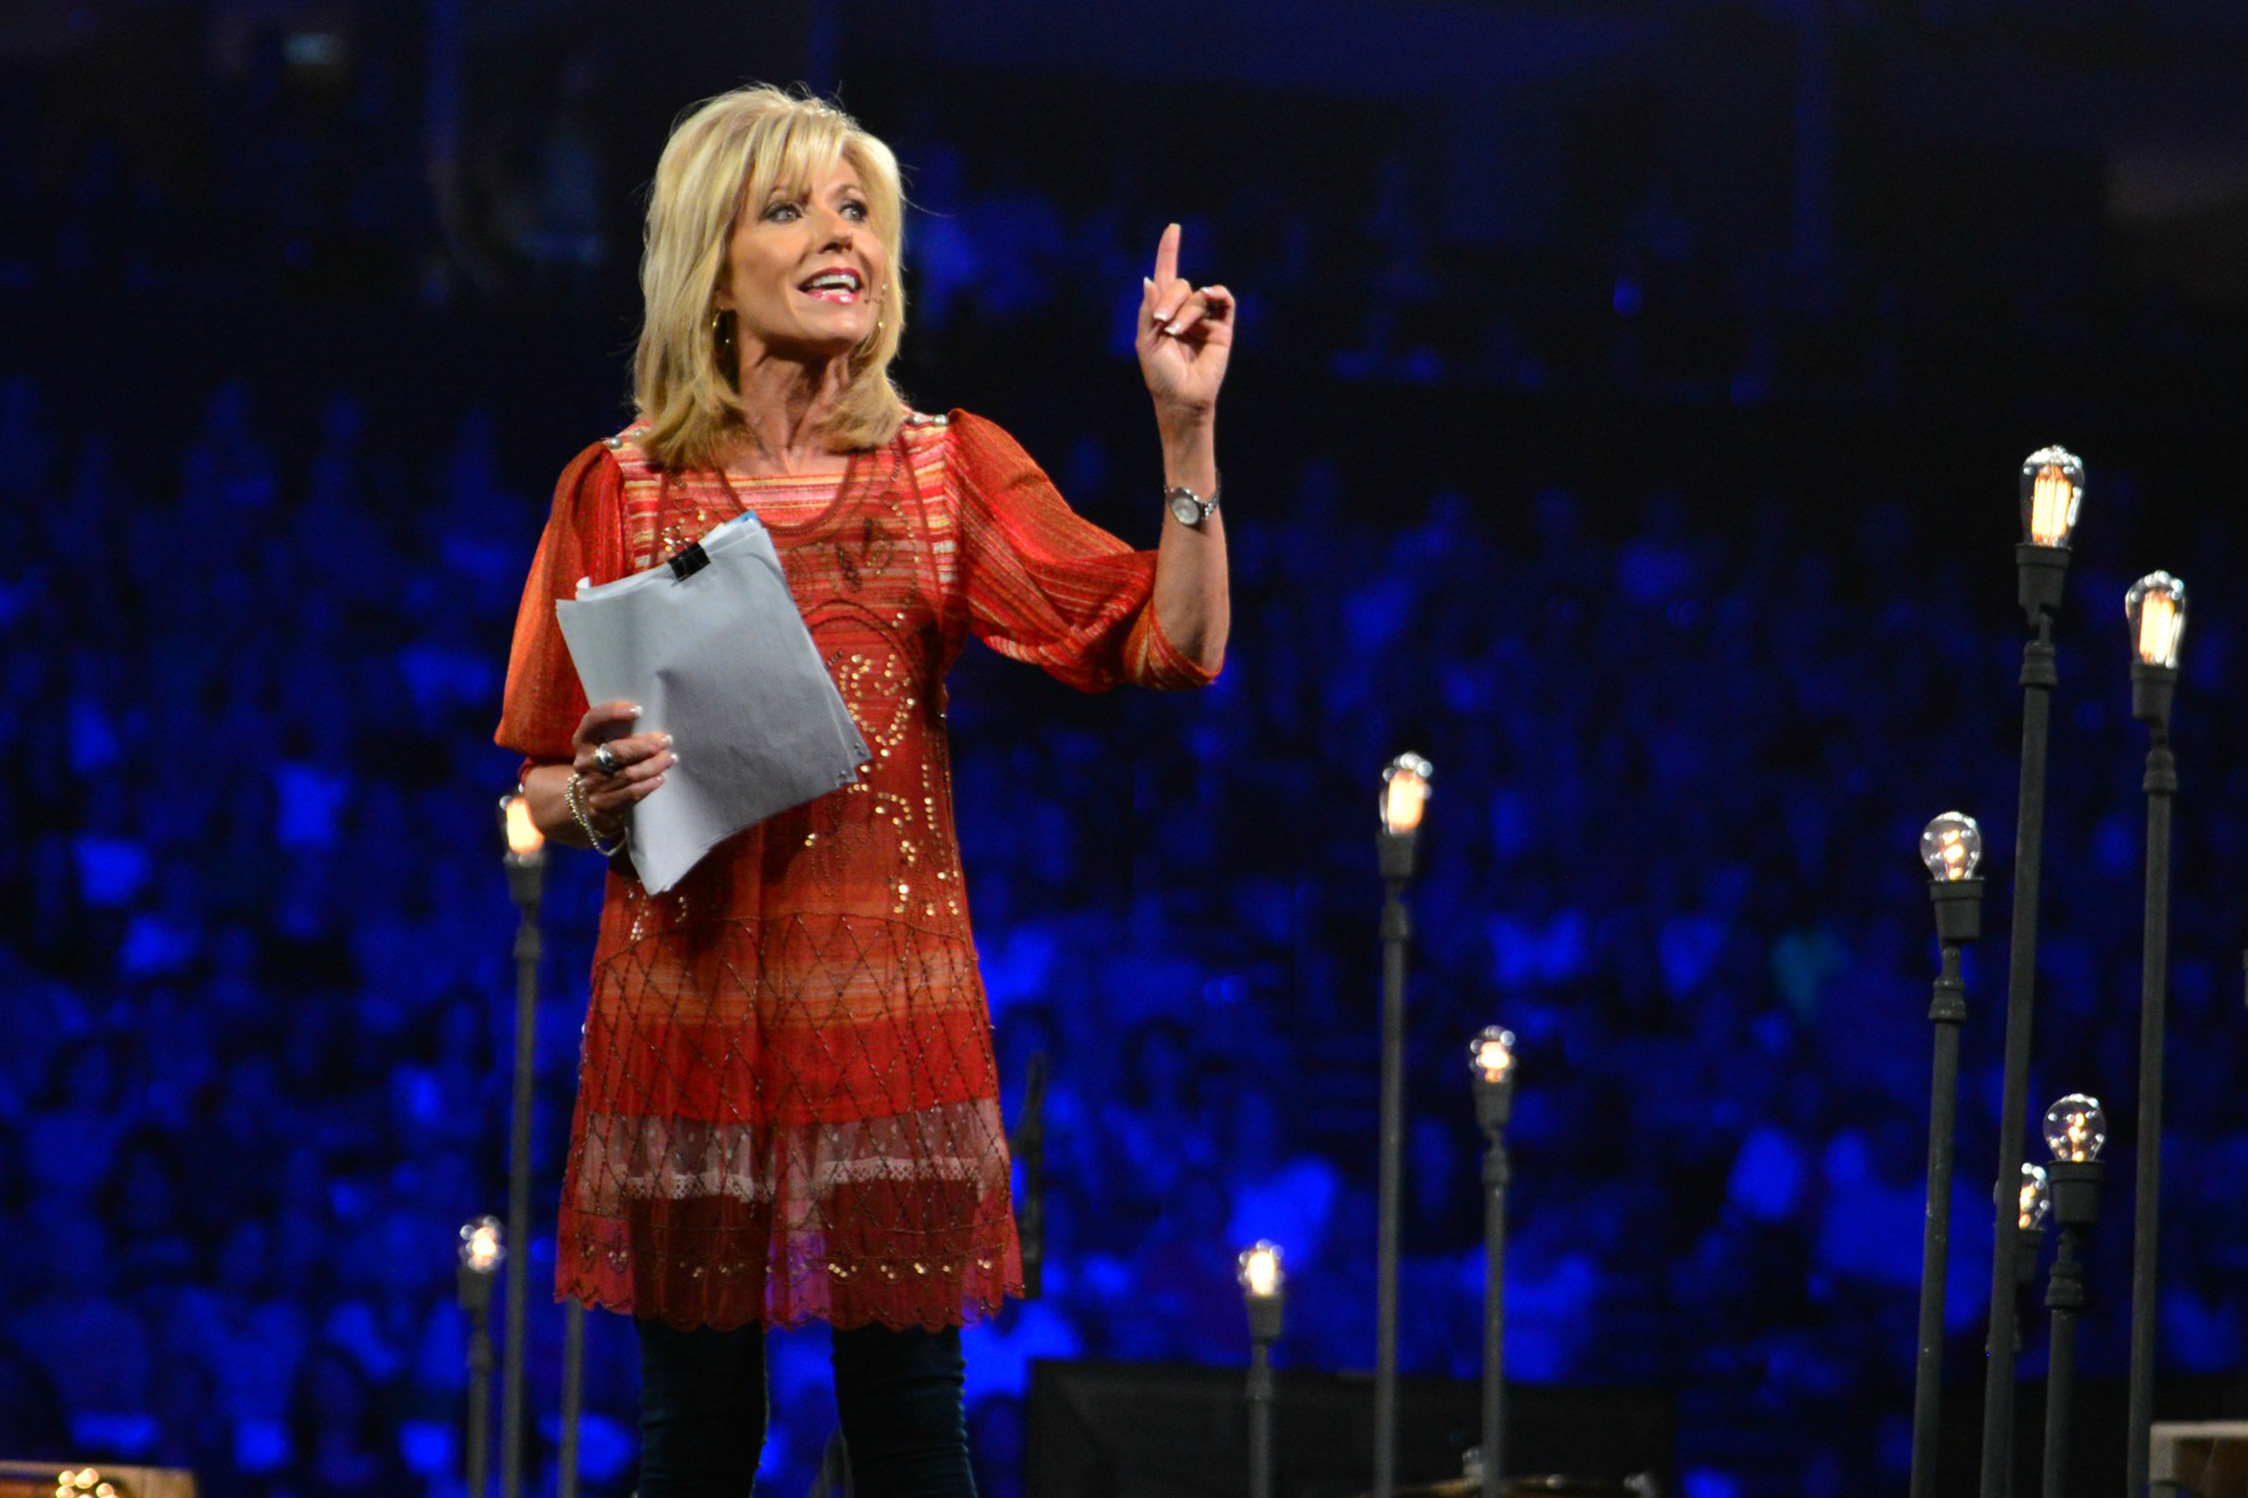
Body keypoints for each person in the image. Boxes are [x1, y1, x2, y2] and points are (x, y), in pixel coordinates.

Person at [496, 85, 1231, 1496]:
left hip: (889, 1033)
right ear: (711, 265)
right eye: (792, 210)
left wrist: (1183, 433)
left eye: (859, 212)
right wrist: (592, 791)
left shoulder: (944, 471)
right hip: (686, 1031)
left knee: (907, 1427)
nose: (843, 239)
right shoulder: (617, 489)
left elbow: (1171, 644)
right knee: (694, 1438)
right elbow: (534, 794)